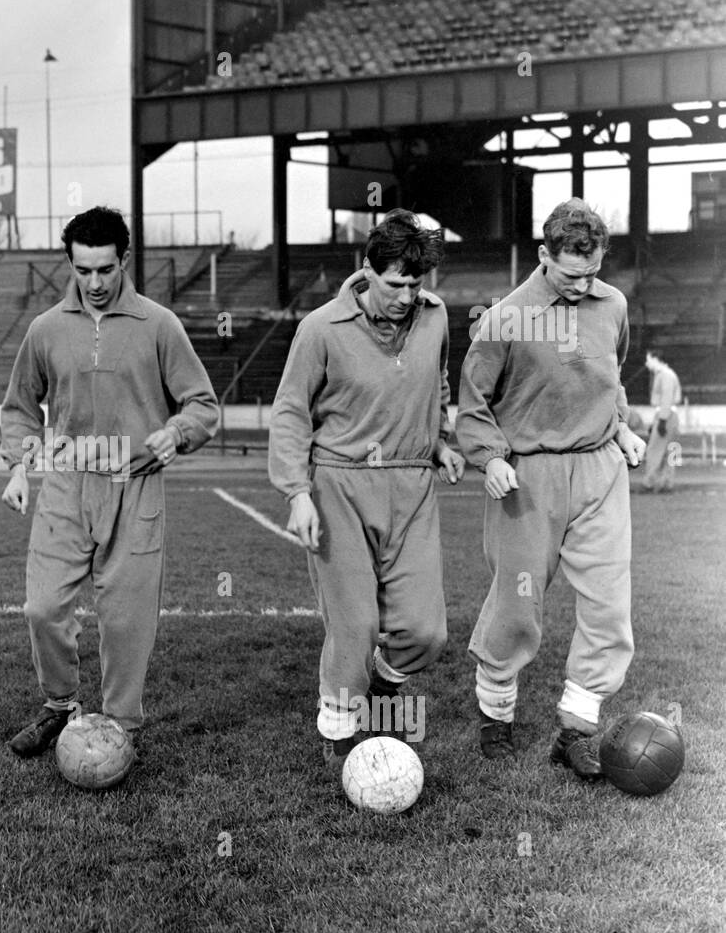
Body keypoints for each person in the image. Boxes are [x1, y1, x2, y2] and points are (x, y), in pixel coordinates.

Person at [0, 206, 218, 760]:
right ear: (69, 266)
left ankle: (120, 727)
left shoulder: (159, 325)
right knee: (42, 608)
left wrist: (178, 431)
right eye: (81, 271)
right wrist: (19, 466)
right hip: (66, 483)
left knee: (126, 618)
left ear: (124, 260)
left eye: (104, 269)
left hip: (135, 485)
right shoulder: (45, 329)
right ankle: (60, 705)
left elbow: (202, 403)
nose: (93, 283)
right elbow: (21, 406)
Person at [268, 208, 464, 771]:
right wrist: (297, 492)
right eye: (396, 283)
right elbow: (289, 412)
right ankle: (338, 730)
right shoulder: (319, 329)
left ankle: (384, 682)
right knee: (355, 623)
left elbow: (440, 380)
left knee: (426, 632)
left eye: (415, 283)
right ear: (367, 270)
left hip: (413, 483)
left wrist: (441, 440)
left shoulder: (435, 317)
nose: (406, 295)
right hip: (338, 485)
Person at [457, 198, 646, 779]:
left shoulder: (612, 304)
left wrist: (622, 428)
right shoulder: (504, 318)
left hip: (599, 472)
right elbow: (471, 404)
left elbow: (608, 375)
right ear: (544, 255)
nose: (581, 284)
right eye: (569, 273)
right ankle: (496, 719)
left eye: (591, 272)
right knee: (517, 607)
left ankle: (575, 732)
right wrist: (489, 458)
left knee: (609, 607)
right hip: (528, 478)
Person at [642, 348, 682, 492]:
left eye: (648, 360)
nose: (647, 364)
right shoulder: (670, 374)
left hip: (666, 415)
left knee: (654, 450)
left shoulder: (664, 375)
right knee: (670, 451)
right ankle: (666, 483)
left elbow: (666, 398)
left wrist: (662, 420)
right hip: (671, 415)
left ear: (655, 359)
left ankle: (650, 483)